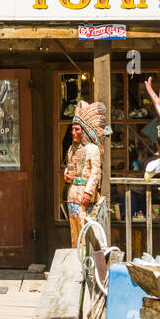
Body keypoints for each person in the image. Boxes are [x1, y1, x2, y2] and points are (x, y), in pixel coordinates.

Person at [63, 100, 106, 248]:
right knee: (73, 225)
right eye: (73, 130)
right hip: (73, 194)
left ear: (85, 131)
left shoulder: (92, 149)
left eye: (77, 130)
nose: (73, 133)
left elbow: (95, 172)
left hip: (84, 195)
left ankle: (85, 260)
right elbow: (70, 166)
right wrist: (67, 175)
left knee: (84, 226)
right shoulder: (72, 149)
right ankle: (76, 256)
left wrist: (88, 192)